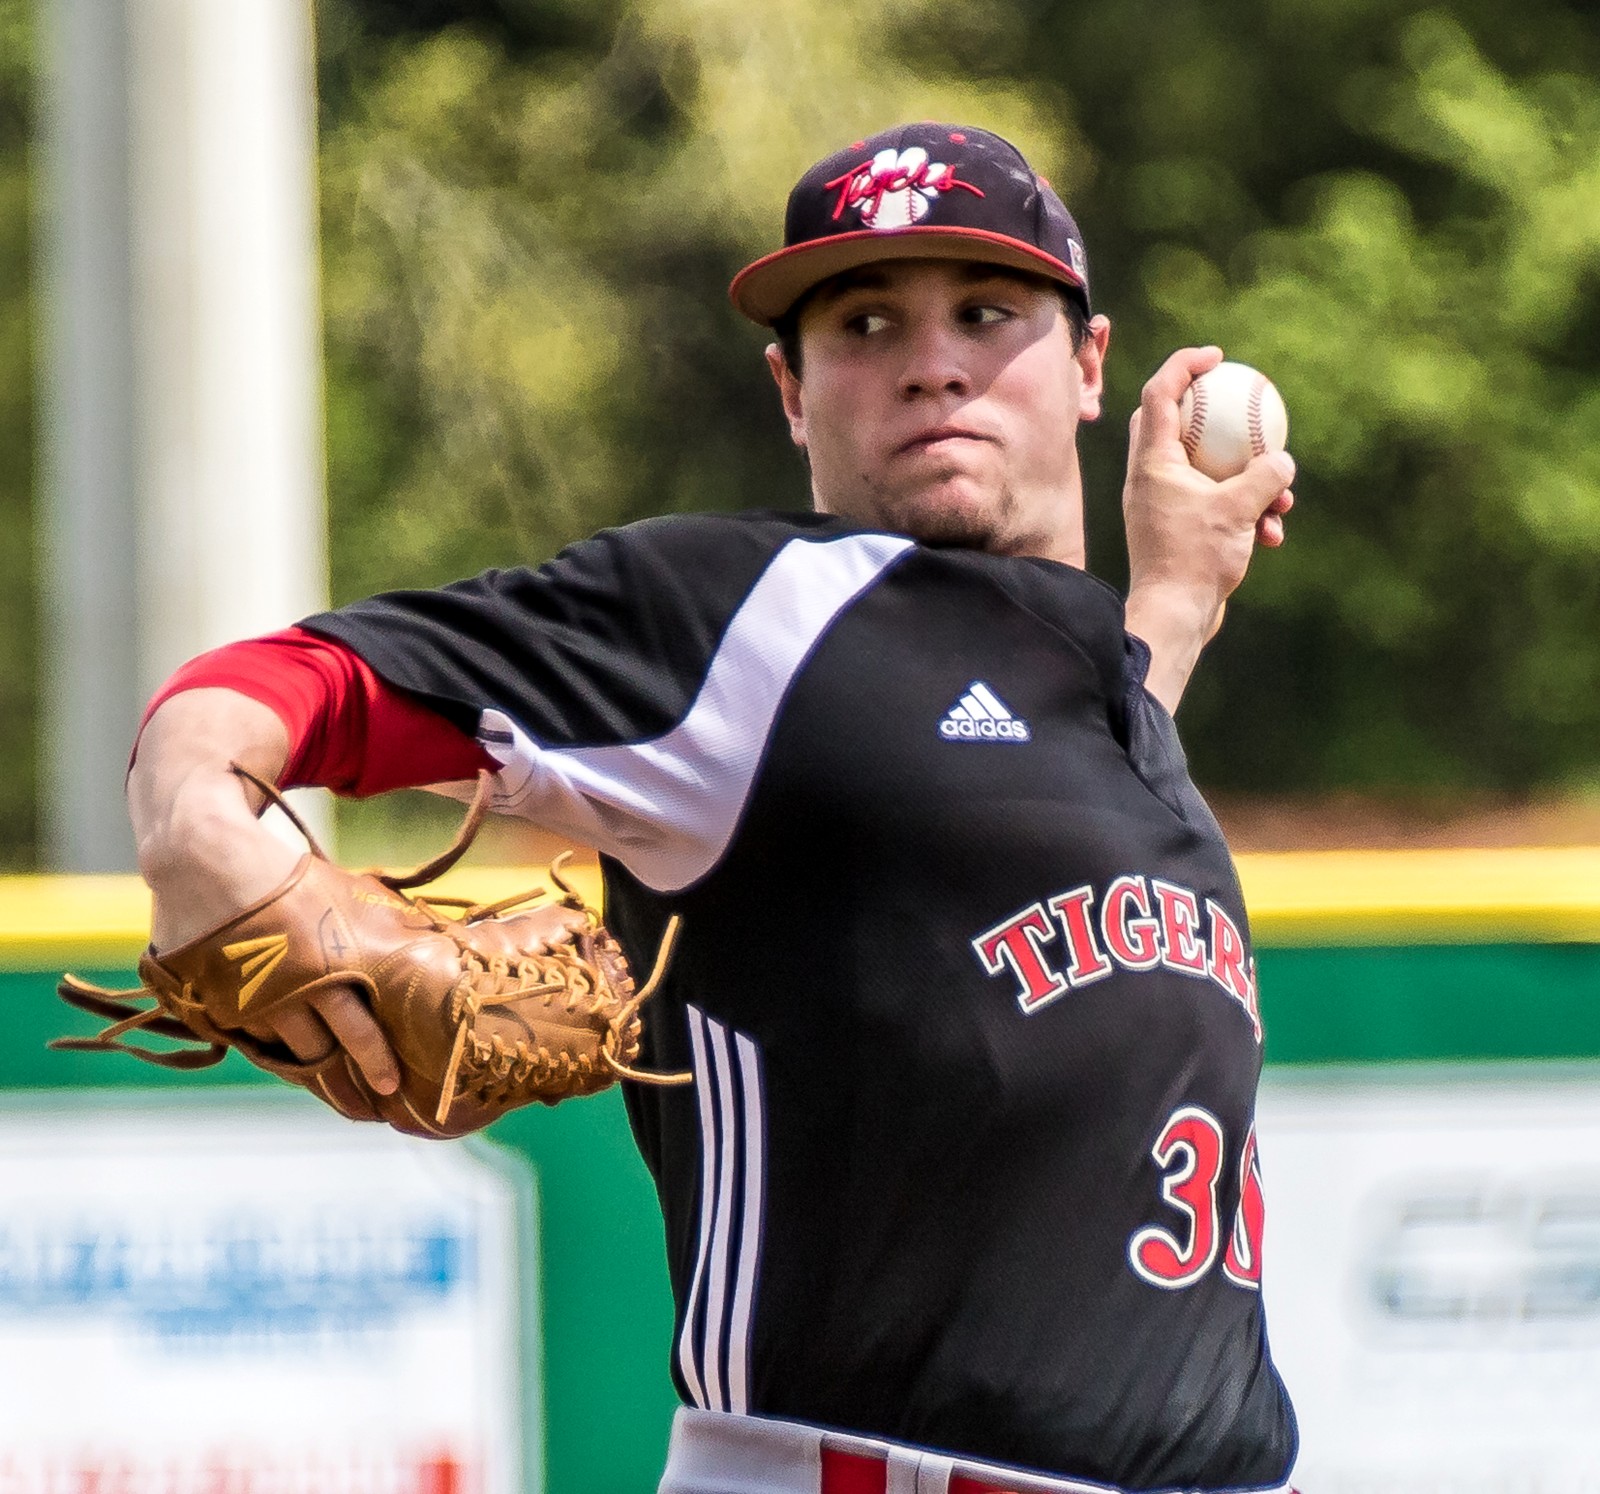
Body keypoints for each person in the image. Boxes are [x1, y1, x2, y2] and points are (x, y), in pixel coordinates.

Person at [129, 124, 1300, 1493]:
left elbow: (1034, 774)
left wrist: (1174, 603)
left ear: (1089, 363)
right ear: (792, 392)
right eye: (866, 322)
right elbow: (271, 686)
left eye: (987, 313)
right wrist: (195, 811)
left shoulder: (1110, 694)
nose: (933, 361)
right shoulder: (736, 615)